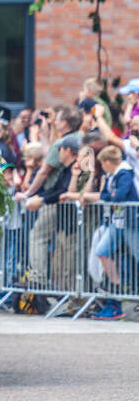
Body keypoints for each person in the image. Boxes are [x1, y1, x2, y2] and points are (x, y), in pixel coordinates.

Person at [80, 145, 138, 319]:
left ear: (107, 162)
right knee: (101, 251)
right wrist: (109, 195)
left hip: (132, 223)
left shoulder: (125, 173)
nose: (102, 168)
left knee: (137, 255)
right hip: (117, 223)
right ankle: (116, 286)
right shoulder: (111, 175)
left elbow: (119, 195)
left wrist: (109, 195)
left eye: (102, 164)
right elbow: (107, 194)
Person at [23, 135, 81, 289]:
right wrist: (37, 197)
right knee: (63, 262)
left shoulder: (76, 169)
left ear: (67, 150)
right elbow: (55, 190)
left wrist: (40, 201)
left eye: (59, 149)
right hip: (64, 223)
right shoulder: (65, 170)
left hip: (73, 223)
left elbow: (64, 191)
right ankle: (69, 300)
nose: (58, 153)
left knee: (71, 264)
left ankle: (75, 300)